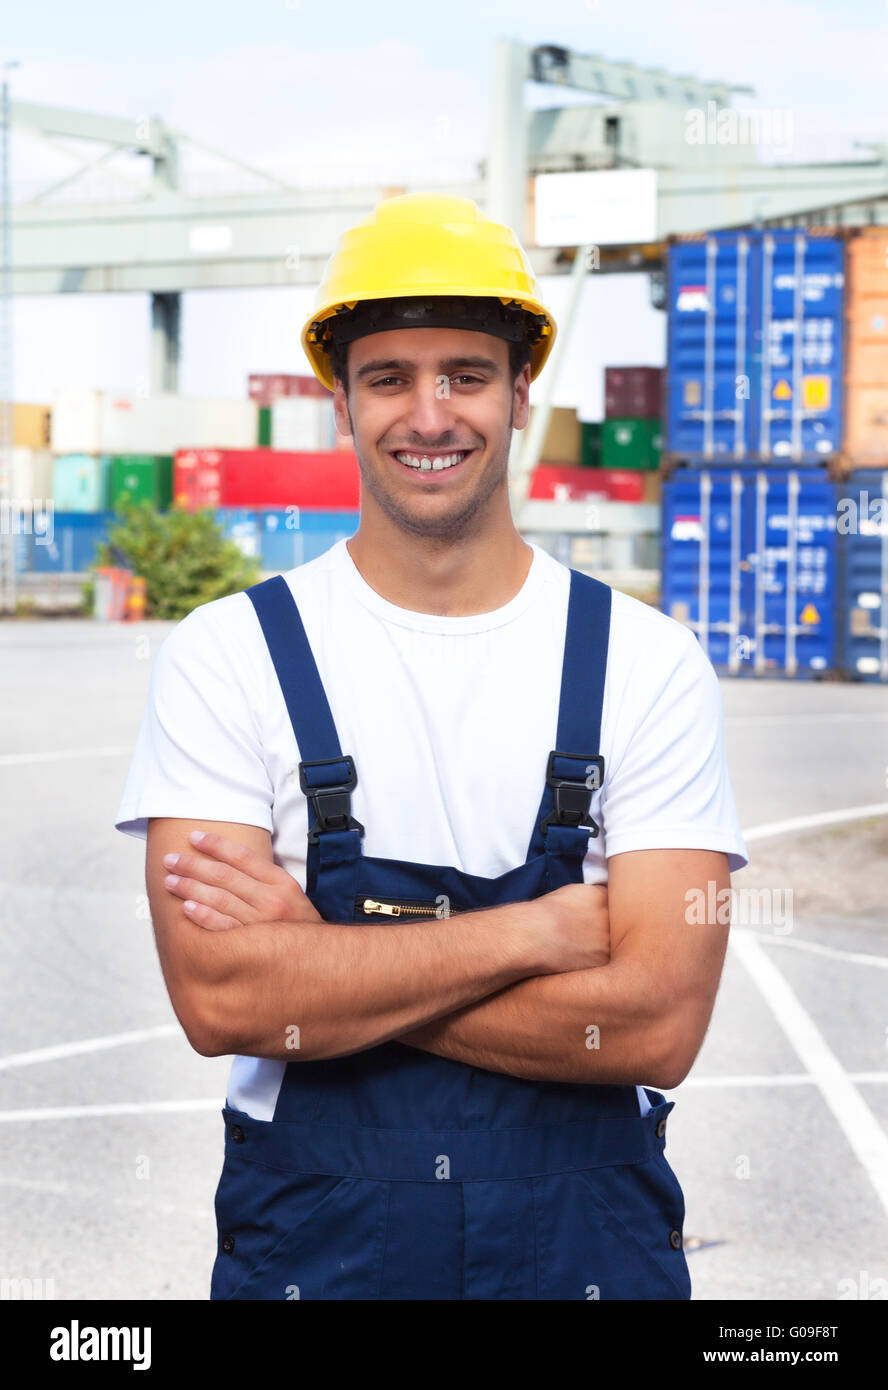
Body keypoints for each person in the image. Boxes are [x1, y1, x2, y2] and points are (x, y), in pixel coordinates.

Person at [115, 192, 748, 1301]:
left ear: (519, 392)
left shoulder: (649, 661)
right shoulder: (228, 655)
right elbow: (222, 1000)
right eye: (388, 377)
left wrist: (325, 956)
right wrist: (543, 933)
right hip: (317, 1249)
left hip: (586, 1249)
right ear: (341, 400)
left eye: (464, 373)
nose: (429, 413)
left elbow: (653, 1023)